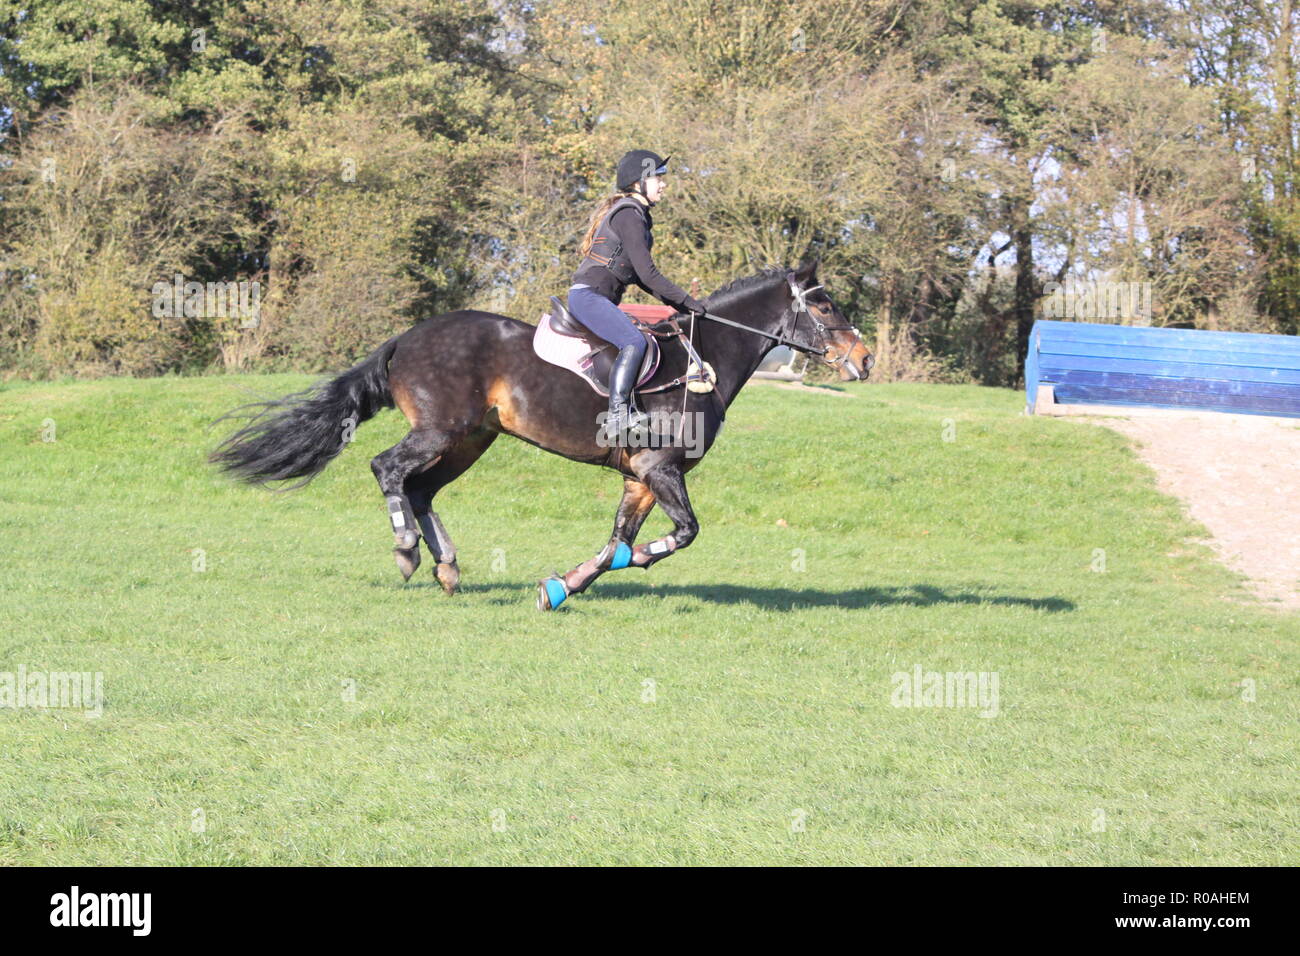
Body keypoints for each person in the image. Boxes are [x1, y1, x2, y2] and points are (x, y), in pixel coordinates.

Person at [570, 149, 707, 439]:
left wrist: (680, 306)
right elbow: (649, 275)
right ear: (638, 182)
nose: (663, 184)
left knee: (640, 337)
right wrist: (686, 301)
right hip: (589, 296)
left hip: (597, 297)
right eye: (658, 178)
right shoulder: (629, 214)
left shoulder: (638, 217)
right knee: (633, 341)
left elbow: (639, 278)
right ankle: (618, 416)